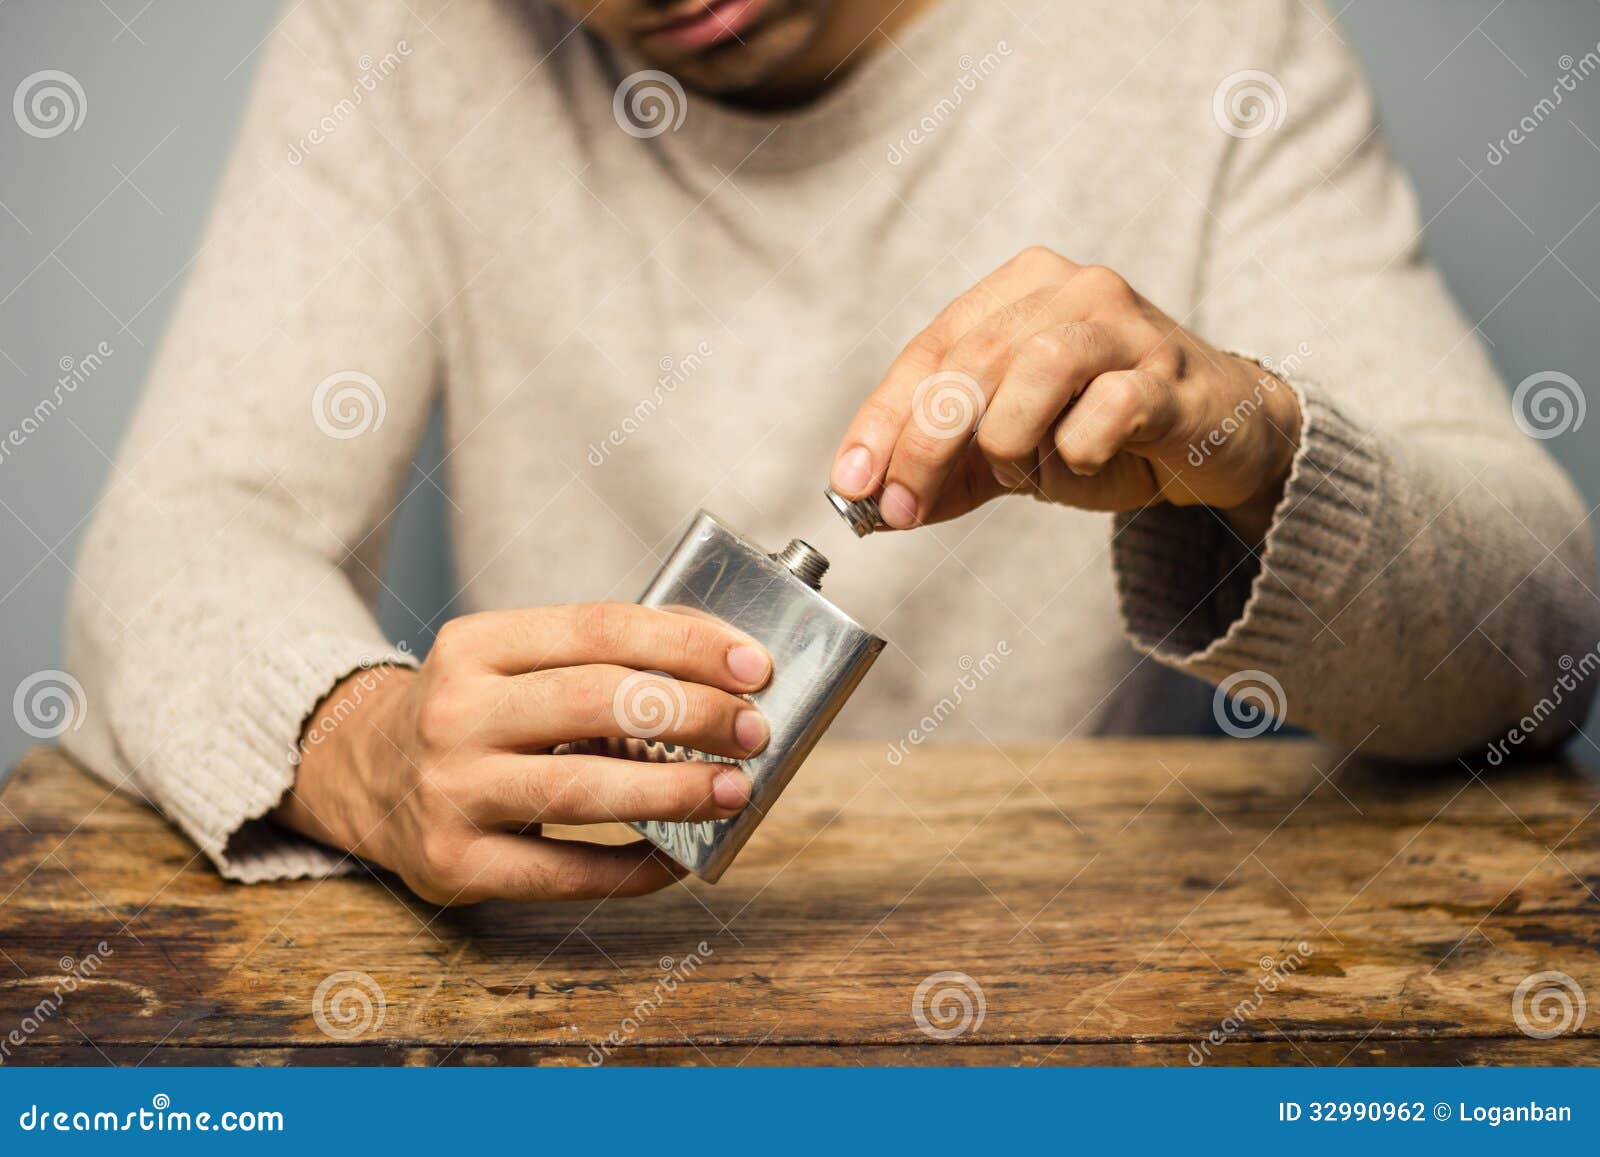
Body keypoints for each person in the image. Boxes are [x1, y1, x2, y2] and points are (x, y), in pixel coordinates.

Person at [66, 0, 1598, 904]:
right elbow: (179, 533)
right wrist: (361, 747)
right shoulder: (398, 38)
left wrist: (1250, 443)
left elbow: (1540, 639)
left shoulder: (1202, 38)